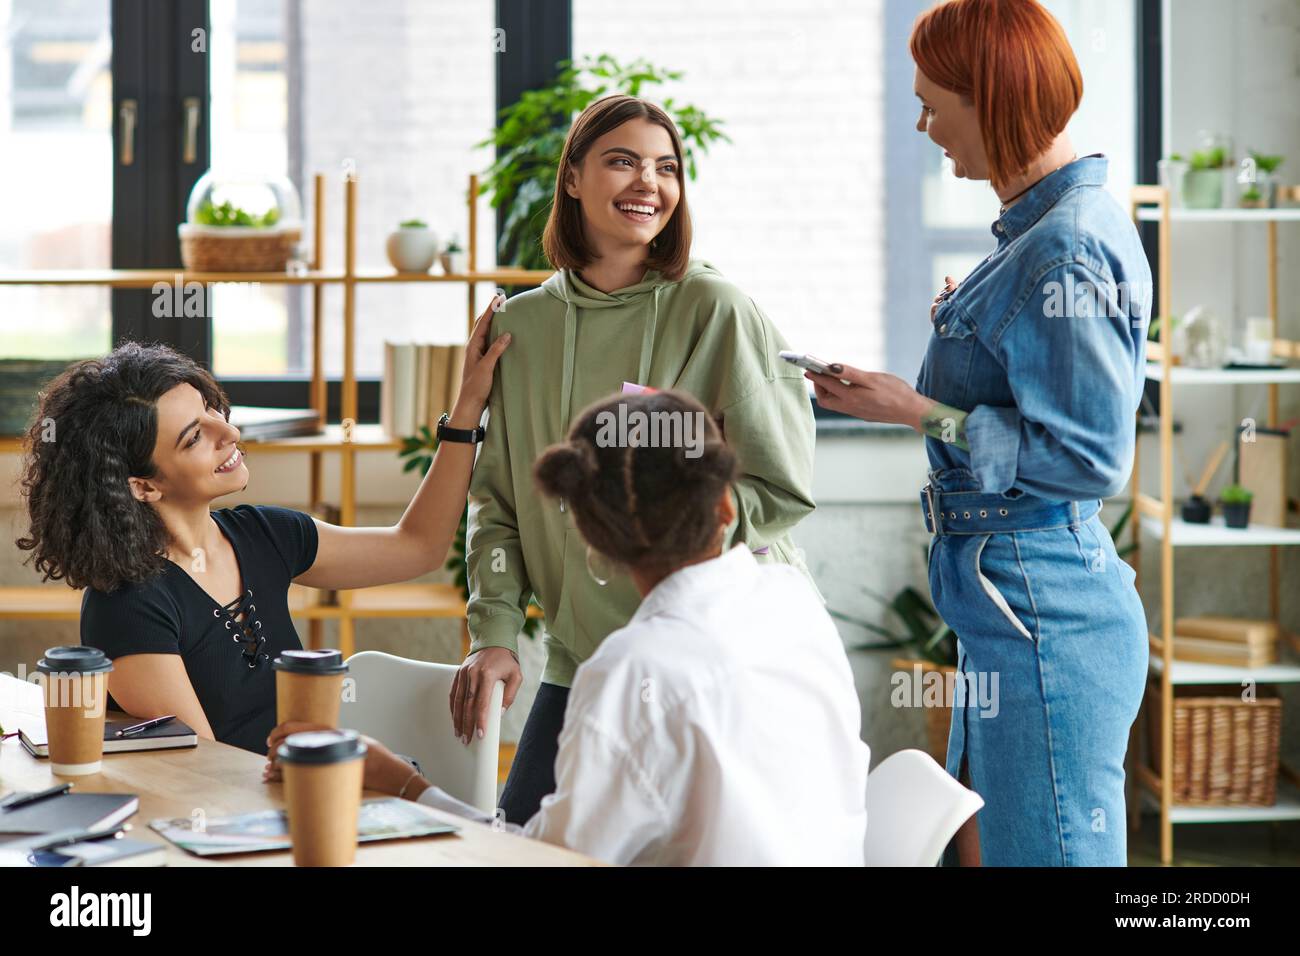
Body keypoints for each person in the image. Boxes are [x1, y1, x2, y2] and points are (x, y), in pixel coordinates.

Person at [803, 0, 1150, 866]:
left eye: (932, 103)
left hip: (1043, 611)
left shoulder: (1062, 248)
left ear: (990, 98)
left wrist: (915, 409)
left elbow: (1086, 459)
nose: (923, 125)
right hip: (1015, 605)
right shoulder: (1037, 234)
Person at [267, 390, 869, 866]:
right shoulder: (792, 601)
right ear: (727, 507)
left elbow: (542, 861)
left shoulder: (635, 668)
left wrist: (402, 783)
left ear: (593, 542)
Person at [455, 94, 819, 824]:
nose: (648, 183)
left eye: (667, 167)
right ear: (572, 178)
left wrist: (663, 540)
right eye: (622, 162)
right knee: (524, 840)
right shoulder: (517, 327)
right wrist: (493, 633)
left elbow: (779, 488)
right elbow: (495, 501)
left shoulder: (716, 308)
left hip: (715, 647)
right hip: (583, 653)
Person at [16, 299, 510, 755]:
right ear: (143, 486)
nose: (228, 432)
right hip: (241, 832)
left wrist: (467, 408)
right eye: (195, 438)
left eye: (211, 411)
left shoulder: (264, 535)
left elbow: (416, 547)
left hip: (309, 796)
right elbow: (203, 771)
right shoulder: (126, 605)